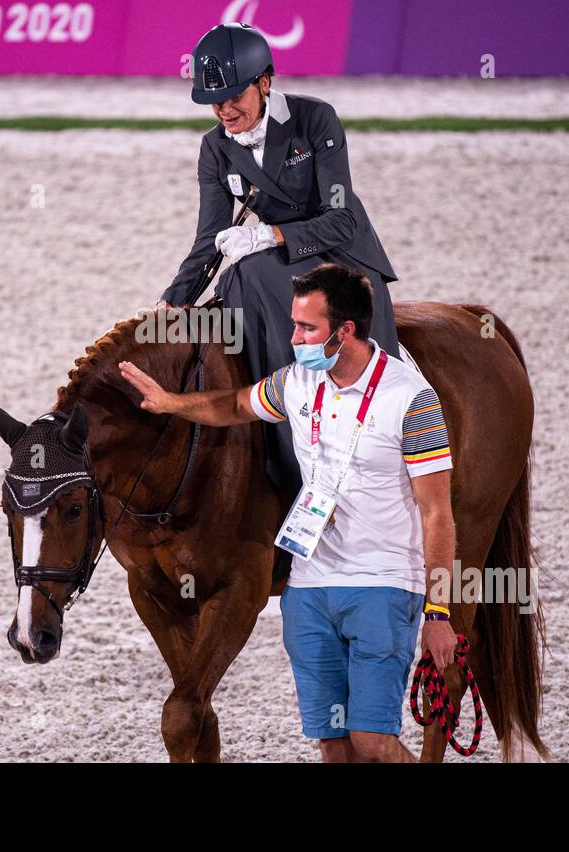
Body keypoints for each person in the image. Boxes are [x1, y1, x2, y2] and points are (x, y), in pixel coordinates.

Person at [121, 263, 457, 763]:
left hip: (383, 584)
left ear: (345, 331)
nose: (293, 337)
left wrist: (438, 612)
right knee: (334, 742)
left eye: (306, 328)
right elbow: (233, 405)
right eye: (294, 324)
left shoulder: (411, 400)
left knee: (373, 741)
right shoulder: (298, 381)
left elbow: (438, 514)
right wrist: (173, 403)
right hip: (309, 587)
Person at [157, 22, 403, 504]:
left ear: (264, 82)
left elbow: (343, 219)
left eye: (234, 97)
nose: (225, 110)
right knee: (236, 280)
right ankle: (264, 432)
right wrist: (171, 302)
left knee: (247, 272)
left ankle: (310, 416)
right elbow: (209, 240)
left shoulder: (315, 120)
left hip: (338, 254)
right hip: (267, 259)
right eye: (215, 101)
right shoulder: (214, 147)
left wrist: (271, 234)